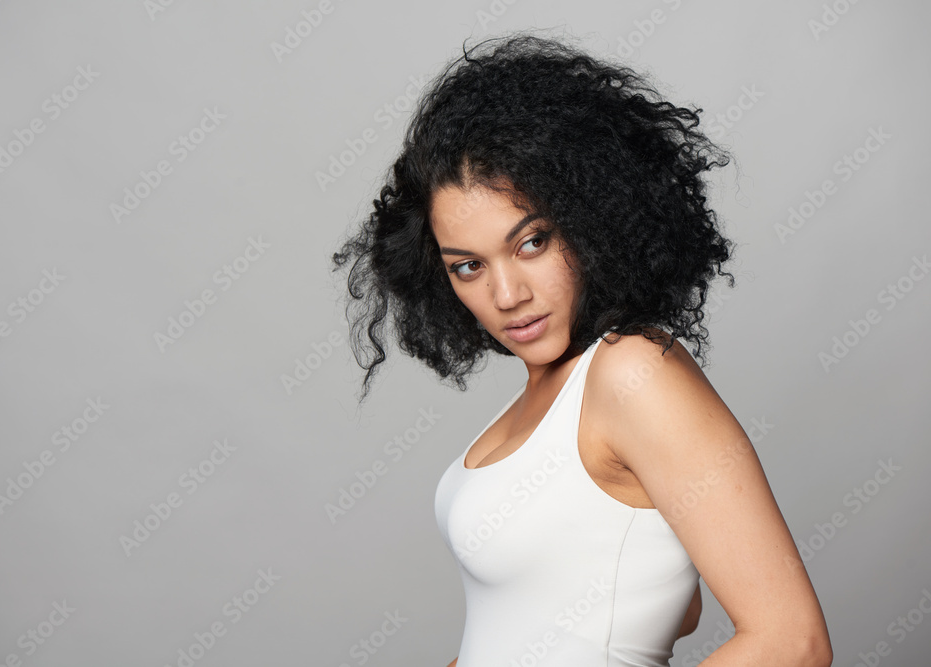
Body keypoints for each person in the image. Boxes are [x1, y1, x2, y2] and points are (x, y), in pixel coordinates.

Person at [330, 31, 832, 667]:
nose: (507, 294)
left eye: (531, 242)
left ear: (592, 216)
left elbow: (793, 642)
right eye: (467, 267)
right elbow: (667, 602)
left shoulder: (633, 373)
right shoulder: (546, 396)